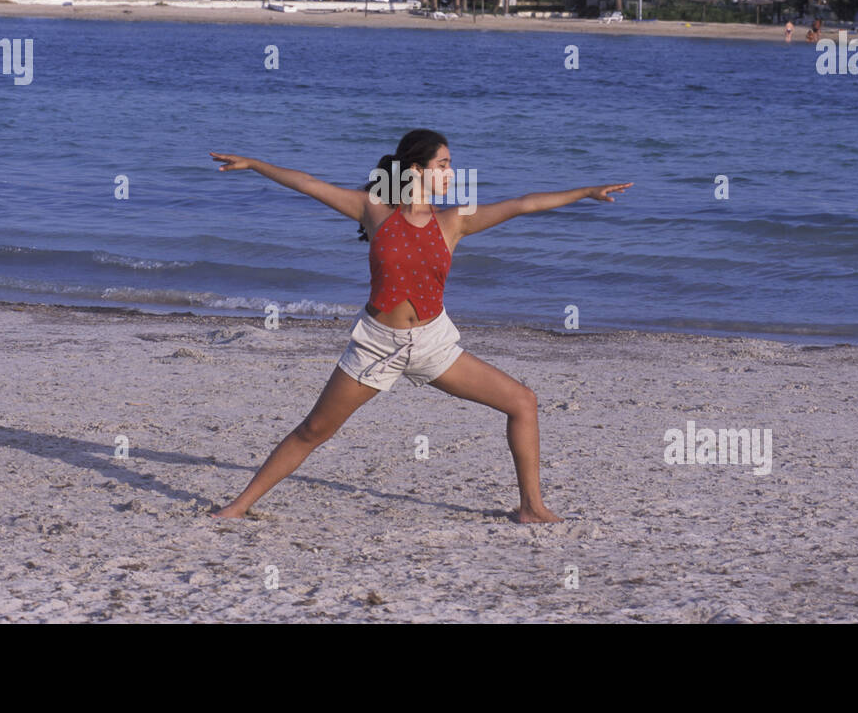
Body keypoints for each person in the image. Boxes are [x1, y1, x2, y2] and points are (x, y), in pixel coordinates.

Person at [207, 129, 631, 523]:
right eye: (443, 164)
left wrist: (586, 192)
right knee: (315, 429)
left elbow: (523, 203)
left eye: (450, 165)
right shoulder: (373, 212)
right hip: (376, 346)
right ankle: (240, 505)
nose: (450, 172)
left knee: (523, 402)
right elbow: (307, 183)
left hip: (433, 344)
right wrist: (255, 164)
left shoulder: (454, 221)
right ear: (416, 171)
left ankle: (531, 507)